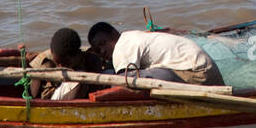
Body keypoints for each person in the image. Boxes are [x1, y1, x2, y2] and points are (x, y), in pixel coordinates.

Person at [87, 22, 224, 86]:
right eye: (98, 50)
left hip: (199, 74)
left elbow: (124, 80)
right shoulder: (132, 36)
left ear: (113, 34)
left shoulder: (122, 46)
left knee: (125, 80)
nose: (103, 51)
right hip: (207, 70)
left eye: (103, 43)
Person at [30, 28, 106, 100]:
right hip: (52, 97)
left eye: (66, 63)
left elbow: (95, 91)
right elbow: (34, 95)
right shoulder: (45, 60)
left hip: (77, 91)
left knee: (80, 77)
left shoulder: (92, 60)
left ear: (78, 55)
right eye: (58, 64)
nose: (61, 67)